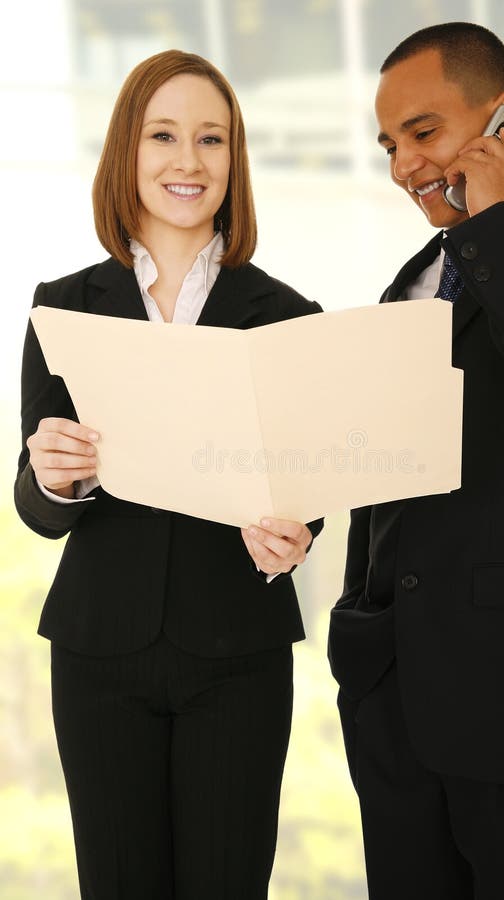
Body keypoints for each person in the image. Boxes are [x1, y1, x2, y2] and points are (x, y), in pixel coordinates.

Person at [15, 49, 323, 900]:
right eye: (163, 135)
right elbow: (37, 508)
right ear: (128, 151)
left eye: (211, 139)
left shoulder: (290, 318)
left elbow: (307, 491)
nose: (188, 161)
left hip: (238, 654)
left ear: (235, 160)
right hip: (98, 653)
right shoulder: (63, 305)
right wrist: (57, 477)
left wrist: (290, 535)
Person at [328, 22, 504, 900]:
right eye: (387, 145)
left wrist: (497, 223)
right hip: (400, 715)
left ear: (503, 120)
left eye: (423, 134)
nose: (403, 168)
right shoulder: (411, 281)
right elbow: (381, 483)